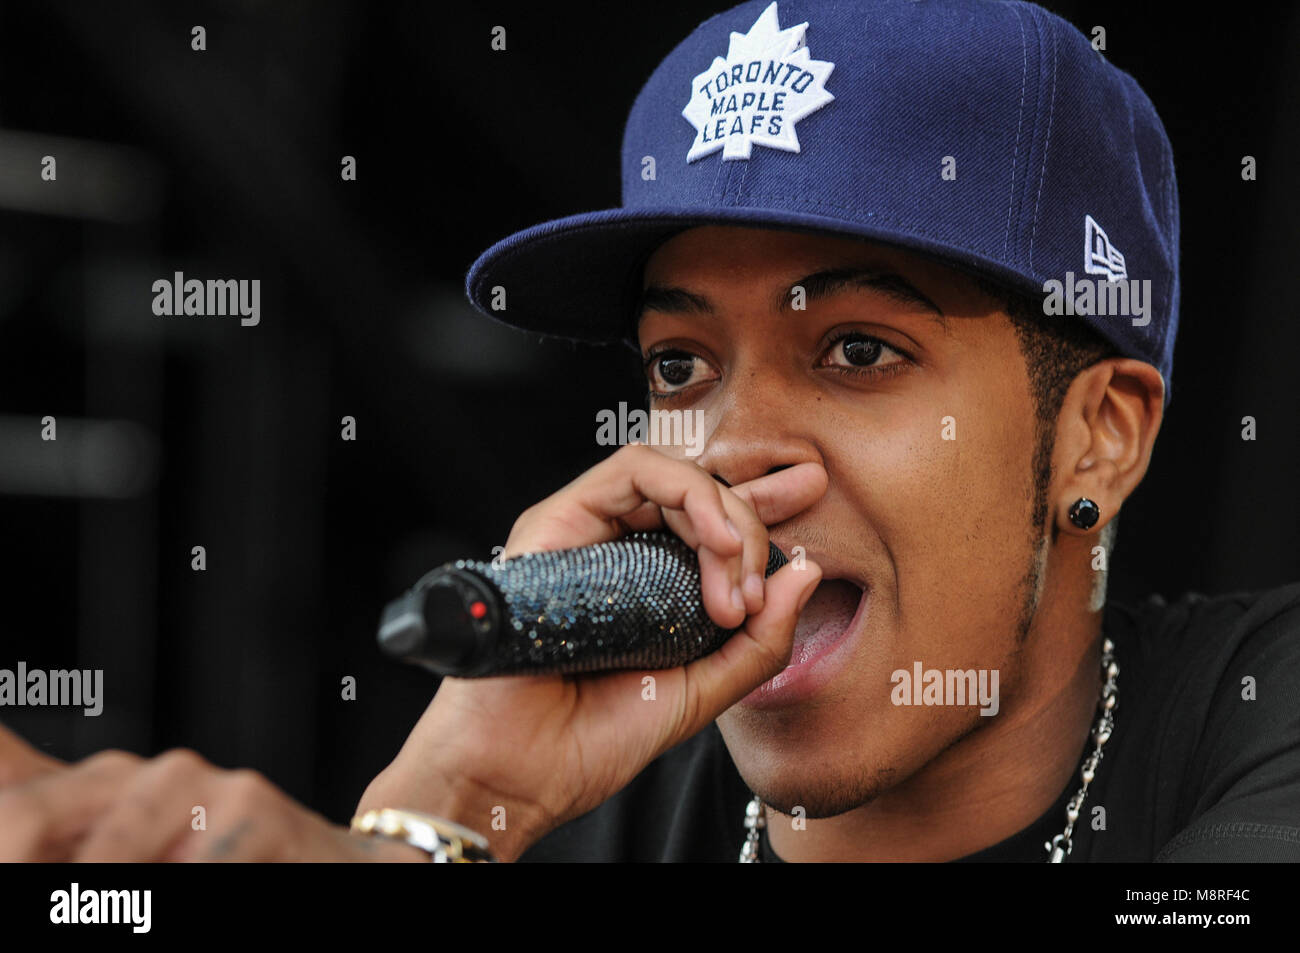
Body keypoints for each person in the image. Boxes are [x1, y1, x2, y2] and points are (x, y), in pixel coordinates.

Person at [2, 0, 1297, 863]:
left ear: (1100, 441)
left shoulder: (1261, 715)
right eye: (683, 362)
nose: (727, 445)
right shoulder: (591, 787)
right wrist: (444, 810)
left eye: (857, 349)